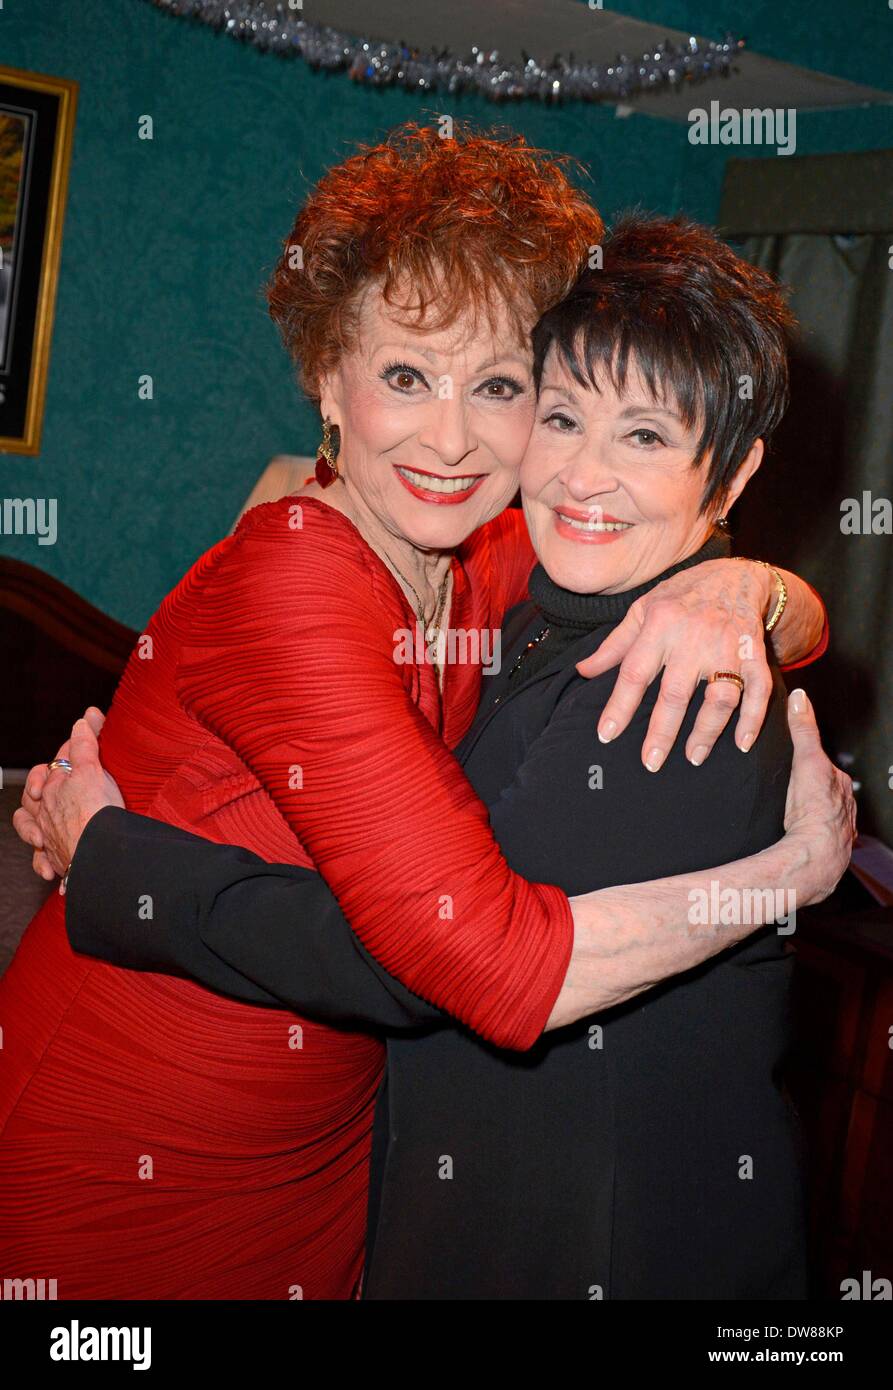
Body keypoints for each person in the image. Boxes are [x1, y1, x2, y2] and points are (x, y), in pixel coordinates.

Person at [3, 127, 830, 1300]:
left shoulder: (479, 549)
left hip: (340, 1142)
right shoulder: (301, 567)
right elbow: (477, 958)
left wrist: (751, 591)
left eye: (497, 386)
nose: (449, 439)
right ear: (322, 376)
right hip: (147, 1132)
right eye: (404, 376)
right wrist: (789, 874)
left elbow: (643, 539)